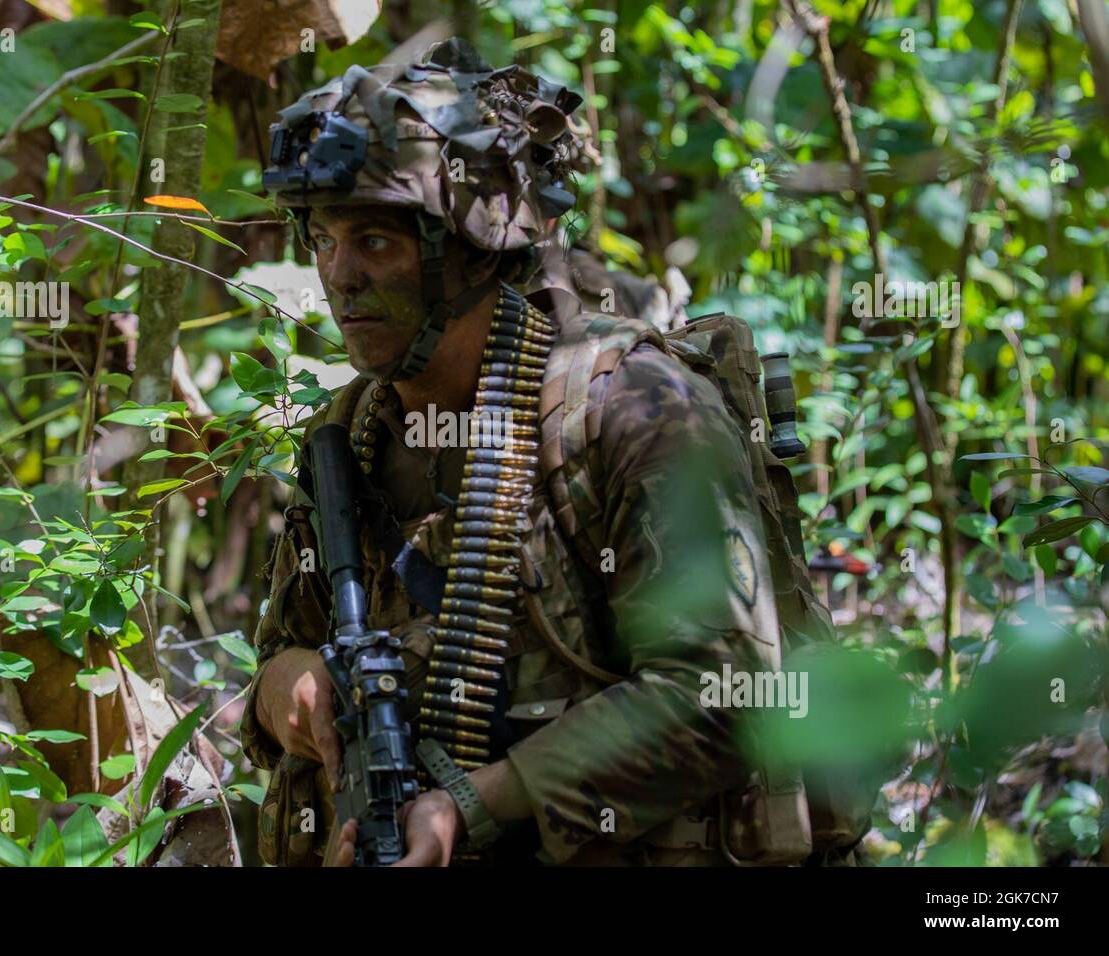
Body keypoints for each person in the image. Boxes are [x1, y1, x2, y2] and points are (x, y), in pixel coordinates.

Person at [239, 38, 791, 867]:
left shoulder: (631, 406)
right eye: (323, 239)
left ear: (470, 249)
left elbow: (726, 694)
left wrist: (471, 804)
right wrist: (295, 695)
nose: (340, 276)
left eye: (377, 242)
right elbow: (282, 652)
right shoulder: (353, 429)